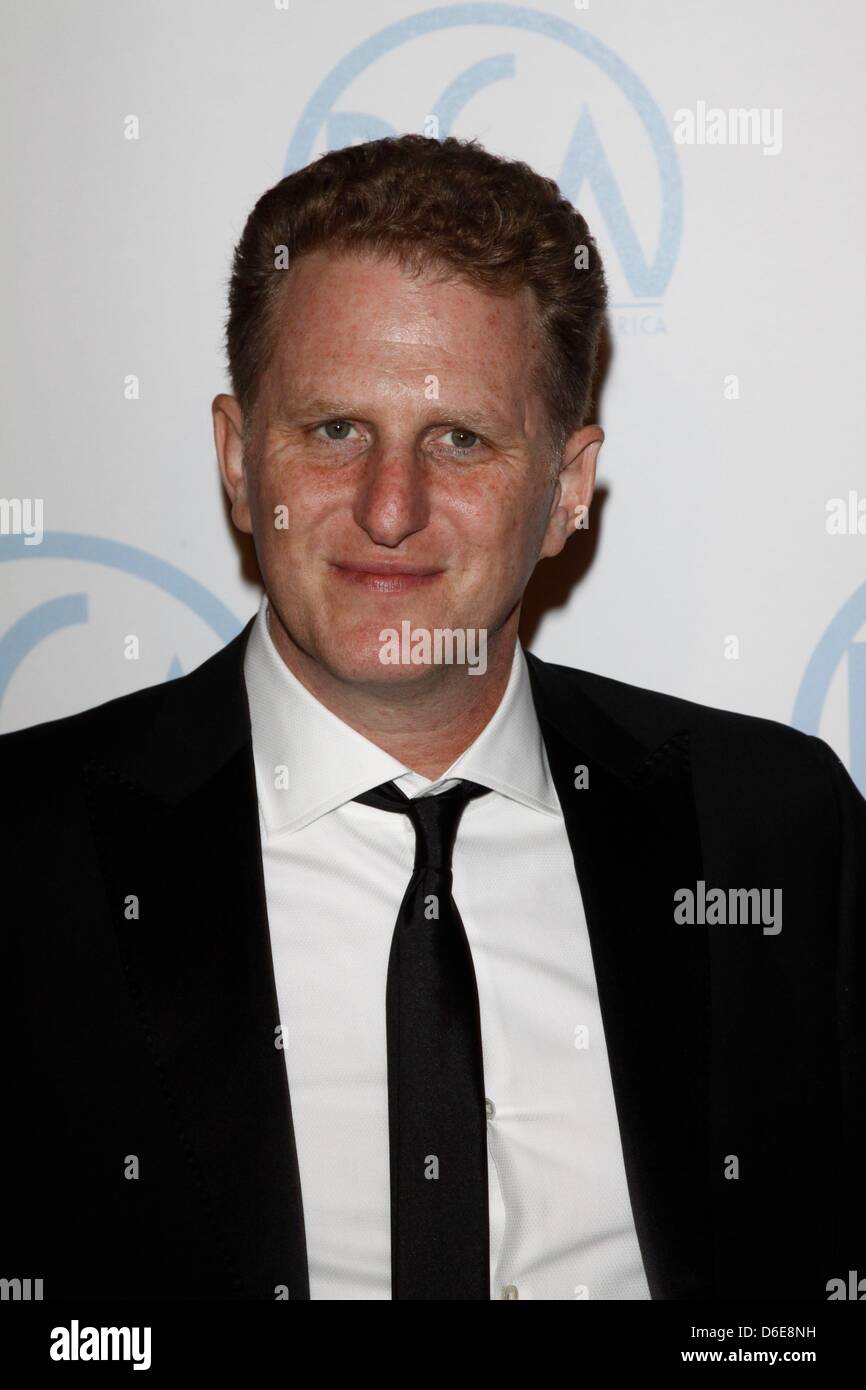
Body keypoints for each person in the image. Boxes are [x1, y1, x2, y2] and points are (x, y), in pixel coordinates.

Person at [2, 134, 864, 1301]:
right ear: (238, 460)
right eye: (332, 430)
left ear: (566, 487)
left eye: (458, 439)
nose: (388, 508)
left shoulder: (771, 824)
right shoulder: (26, 847)